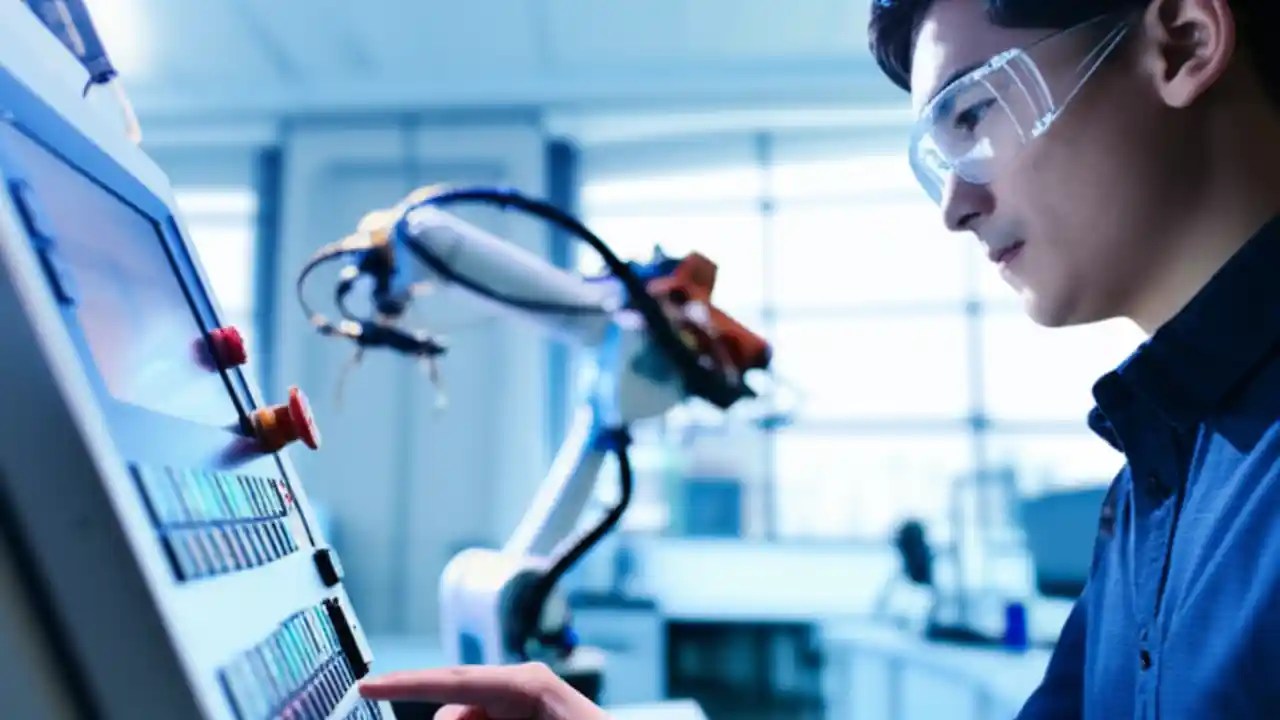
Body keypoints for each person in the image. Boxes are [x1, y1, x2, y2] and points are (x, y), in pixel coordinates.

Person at [359, 0, 1280, 716]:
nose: (956, 204)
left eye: (975, 112)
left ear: (1182, 42)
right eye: (938, 152)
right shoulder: (1162, 476)